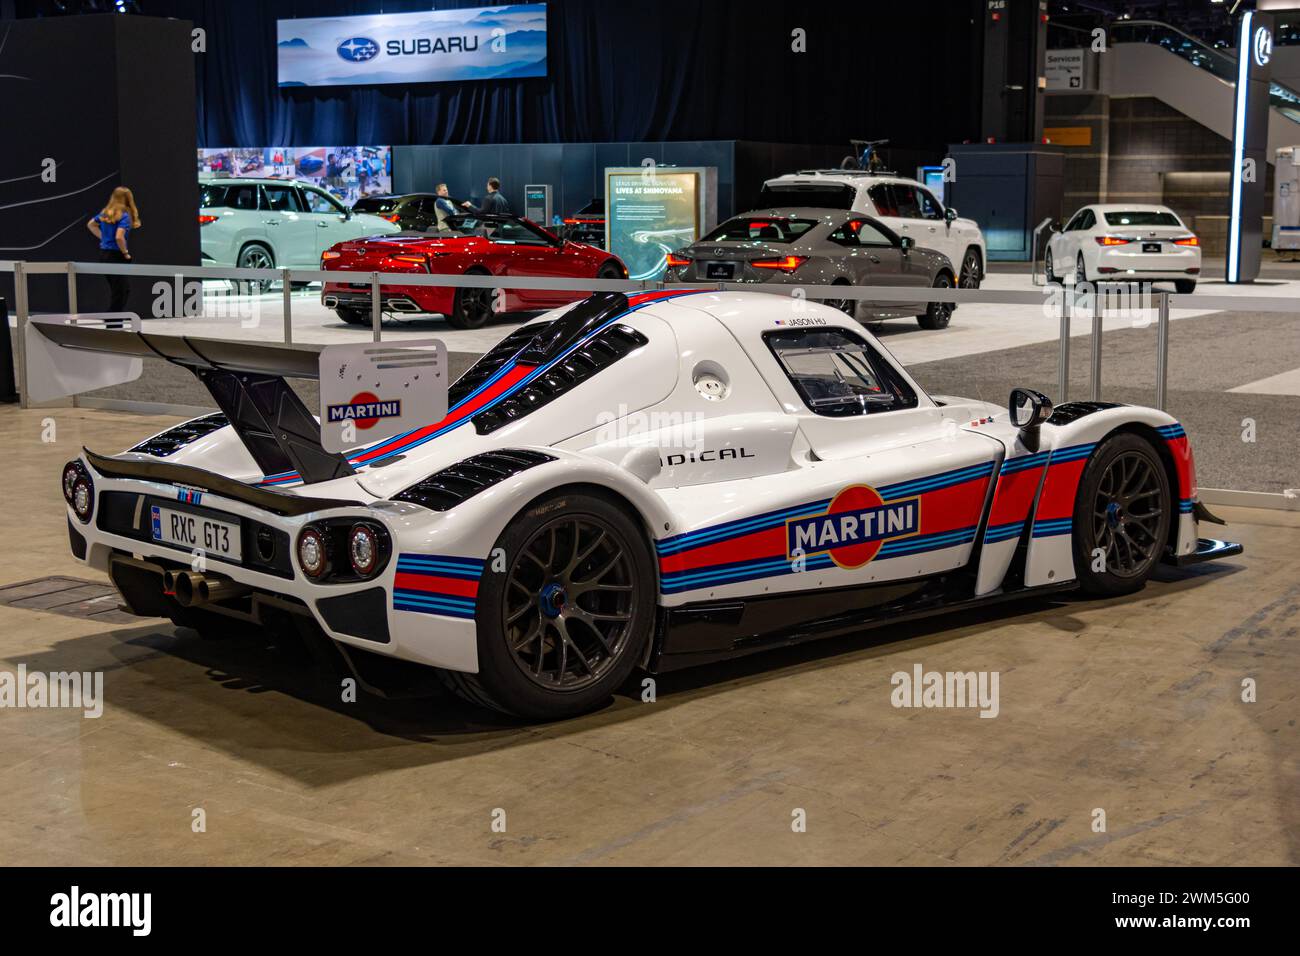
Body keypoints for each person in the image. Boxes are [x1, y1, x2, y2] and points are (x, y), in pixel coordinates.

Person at [86, 186, 139, 313]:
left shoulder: (106, 213)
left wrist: (104, 239)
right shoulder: (124, 216)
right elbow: (119, 237)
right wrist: (125, 253)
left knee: (118, 290)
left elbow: (91, 224)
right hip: (115, 255)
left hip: (104, 255)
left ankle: (114, 320)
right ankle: (112, 320)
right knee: (121, 291)